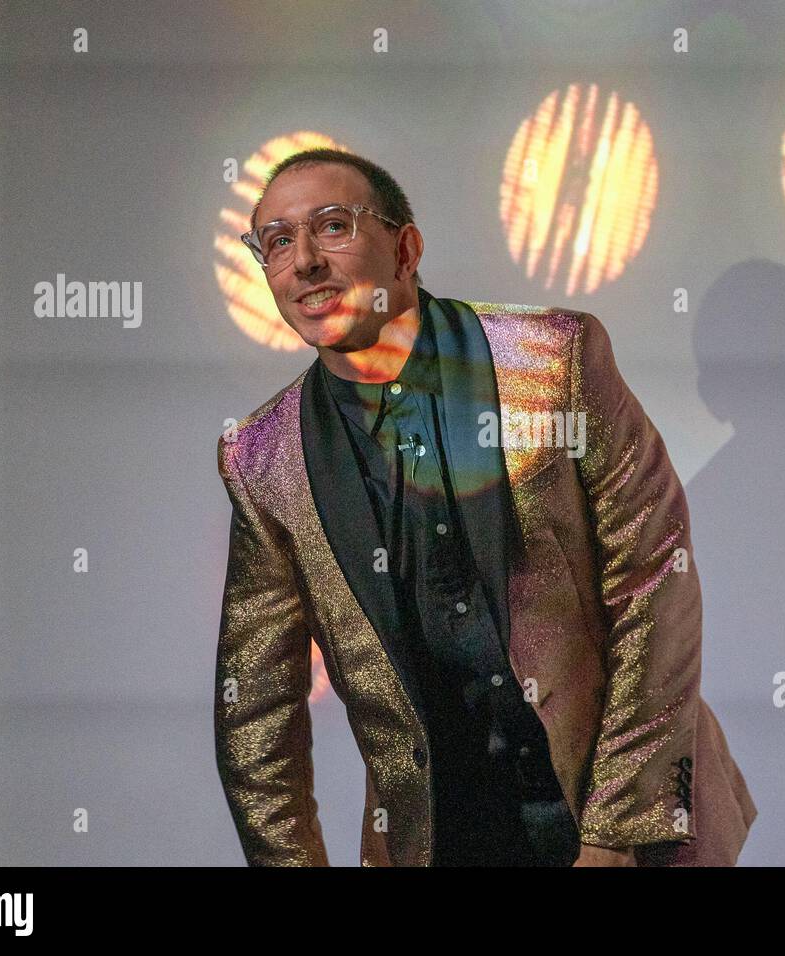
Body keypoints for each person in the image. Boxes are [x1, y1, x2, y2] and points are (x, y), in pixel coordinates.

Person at [214, 147, 756, 866]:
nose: (305, 260)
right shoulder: (261, 459)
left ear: (404, 248)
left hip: (623, 820)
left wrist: (613, 835)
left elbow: (655, 581)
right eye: (278, 241)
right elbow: (255, 706)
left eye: (334, 226)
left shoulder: (555, 359)